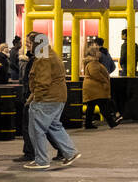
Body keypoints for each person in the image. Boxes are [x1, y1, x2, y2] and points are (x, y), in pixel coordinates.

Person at [23, 36, 80, 170]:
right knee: (54, 126)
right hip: (58, 98)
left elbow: (43, 81)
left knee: (36, 130)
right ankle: (70, 152)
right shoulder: (49, 53)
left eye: (29, 43)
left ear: (37, 43)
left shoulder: (43, 58)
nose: (27, 46)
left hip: (46, 99)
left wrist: (36, 98)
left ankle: (41, 160)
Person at [81, 42, 123, 129]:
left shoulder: (92, 62)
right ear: (94, 54)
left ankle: (88, 124)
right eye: (97, 52)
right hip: (95, 89)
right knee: (103, 106)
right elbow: (95, 74)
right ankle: (111, 123)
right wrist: (104, 80)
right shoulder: (93, 63)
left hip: (92, 89)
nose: (100, 53)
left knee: (91, 107)